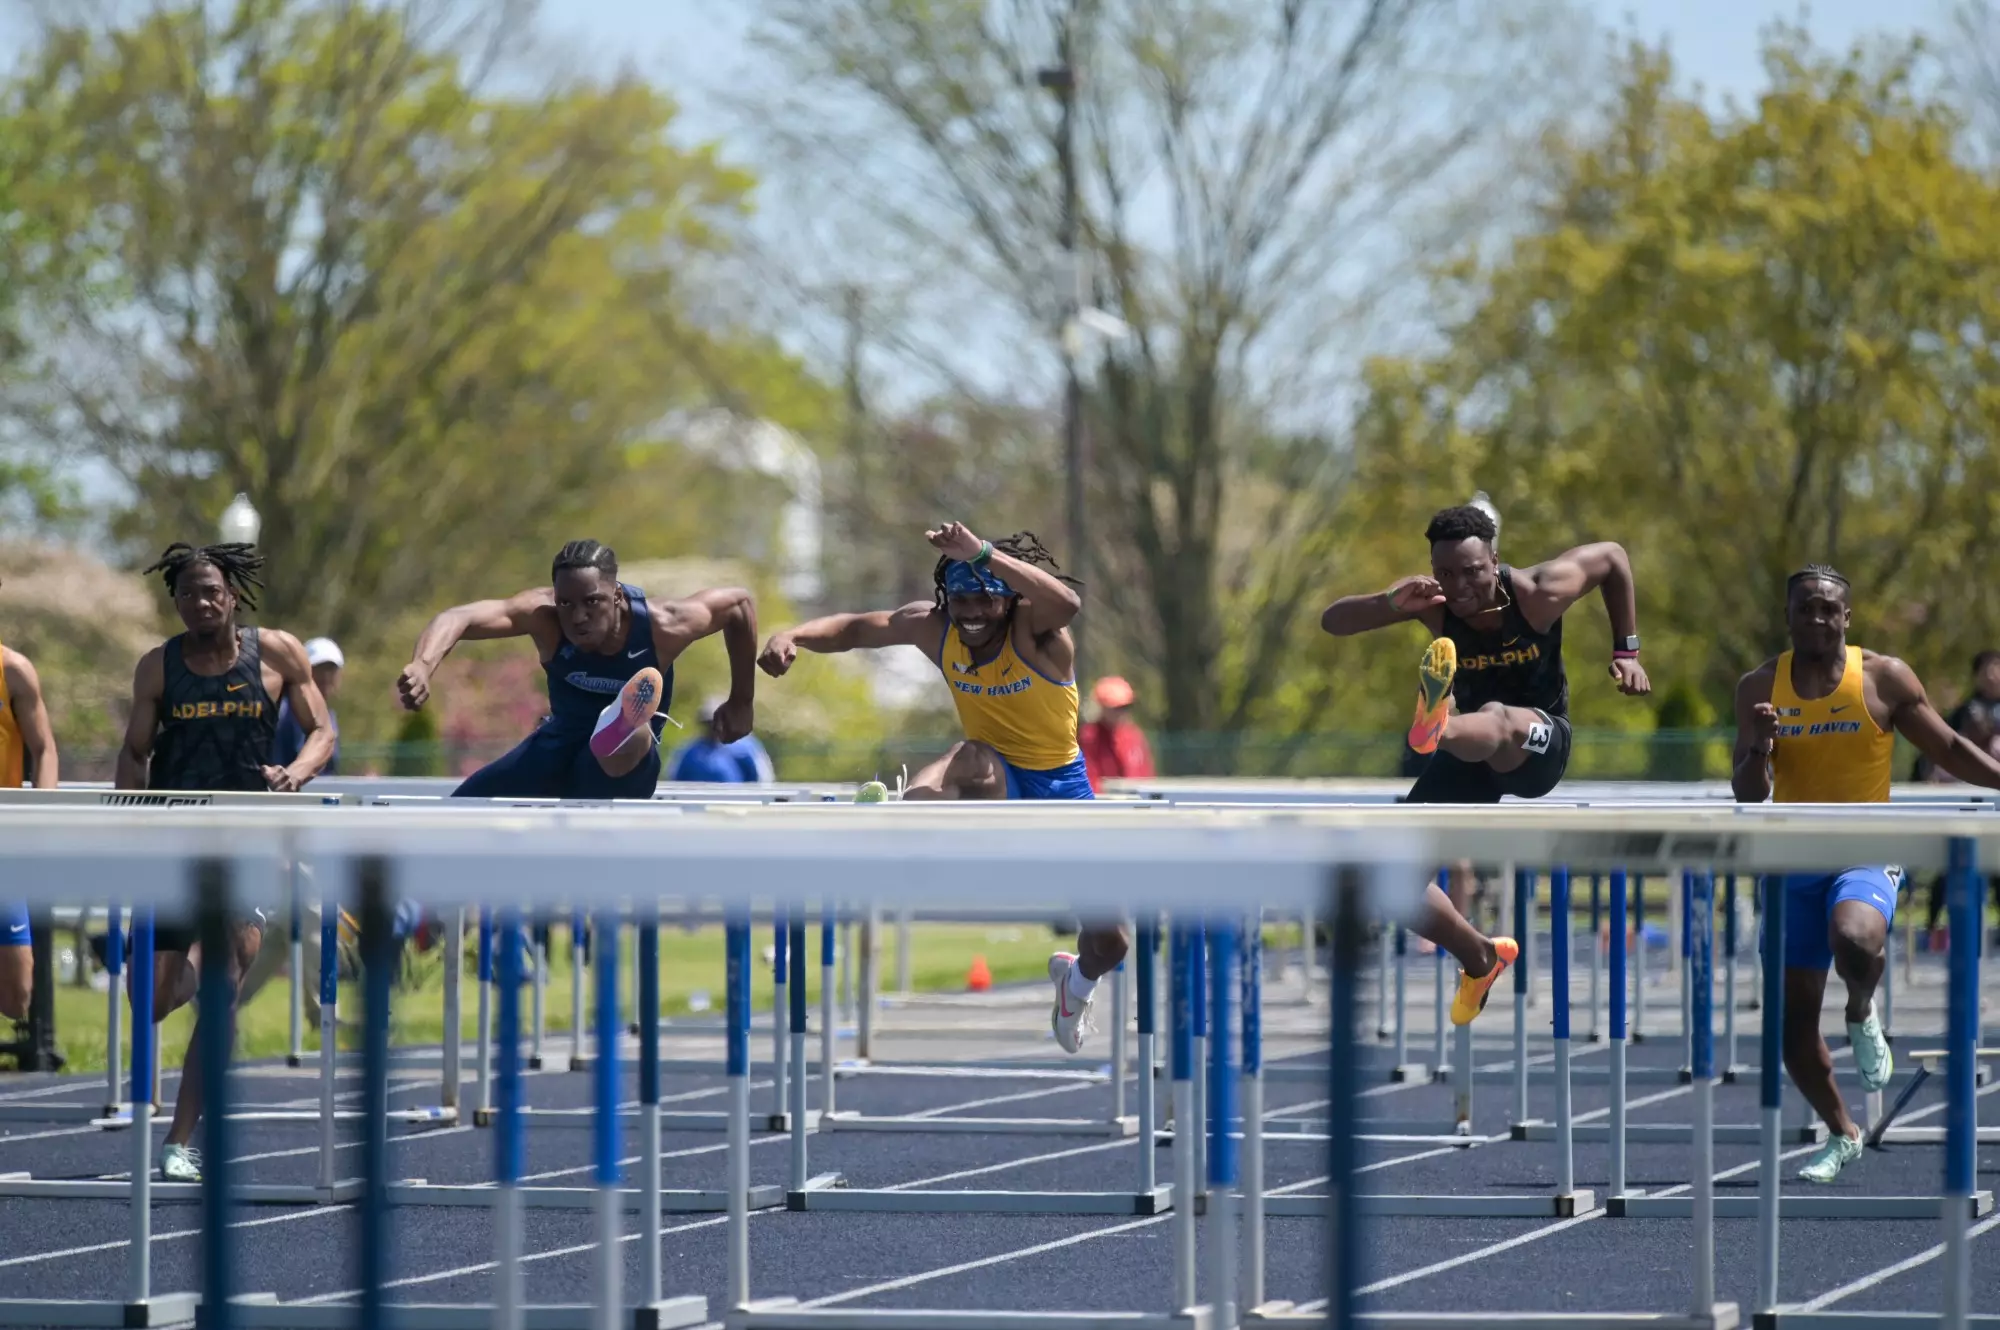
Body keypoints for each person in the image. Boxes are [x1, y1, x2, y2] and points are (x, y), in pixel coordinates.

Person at [757, 522, 1124, 1054]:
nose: (971, 613)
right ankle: (903, 815)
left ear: (1007, 600)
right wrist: (793, 635)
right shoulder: (937, 628)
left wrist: (981, 552)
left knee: (1112, 943)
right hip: (995, 773)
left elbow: (1067, 602)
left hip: (1063, 790)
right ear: (946, 599)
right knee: (969, 754)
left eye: (983, 600)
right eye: (960, 600)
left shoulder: (1038, 634)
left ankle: (1075, 984)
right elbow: (858, 628)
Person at [1320, 502, 1650, 1024]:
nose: (1459, 587)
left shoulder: (1541, 592)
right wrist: (1390, 601)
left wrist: (1626, 652)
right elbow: (1332, 621)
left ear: (1495, 560)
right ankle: (1480, 956)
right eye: (1445, 573)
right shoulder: (1434, 604)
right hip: (1472, 756)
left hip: (1540, 743)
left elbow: (1613, 558)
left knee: (1499, 717)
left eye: (1472, 571)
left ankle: (1439, 725)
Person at [1731, 564, 2000, 1183]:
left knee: (1854, 938)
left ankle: (1859, 1007)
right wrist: (1761, 746)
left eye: (1828, 608)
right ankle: (1842, 1132)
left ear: (1847, 617)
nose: (1817, 618)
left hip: (1865, 849)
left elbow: (1949, 748)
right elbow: (1747, 791)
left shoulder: (1883, 677)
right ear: (1788, 616)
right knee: (1793, 1026)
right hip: (1791, 856)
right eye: (1805, 608)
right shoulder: (1759, 686)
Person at [118, 542, 335, 1180]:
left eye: (211, 591)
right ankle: (186, 965)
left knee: (223, 988)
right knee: (150, 1000)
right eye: (188, 594)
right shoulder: (158, 667)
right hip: (173, 840)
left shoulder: (277, 653)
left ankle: (178, 1141)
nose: (201, 602)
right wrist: (125, 824)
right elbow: (133, 753)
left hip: (248, 842)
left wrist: (295, 773)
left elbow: (322, 731)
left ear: (233, 595)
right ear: (176, 602)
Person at [396, 540, 757, 800]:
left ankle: (623, 723)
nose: (578, 616)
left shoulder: (663, 625)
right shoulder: (543, 616)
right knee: (460, 811)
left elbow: (738, 605)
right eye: (566, 603)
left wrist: (742, 699)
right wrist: (423, 665)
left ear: (617, 596)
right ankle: (617, 724)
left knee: (630, 740)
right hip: (557, 748)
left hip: (622, 770)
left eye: (592, 602)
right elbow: (458, 617)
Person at [0, 633, 58, 1020]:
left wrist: (41, 819)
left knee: (17, 997)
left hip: (4, 841)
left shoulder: (13, 670)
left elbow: (44, 749)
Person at [272, 637, 343, 775]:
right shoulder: (283, 712)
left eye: (331, 669)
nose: (325, 676)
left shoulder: (329, 716)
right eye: (318, 669)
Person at [668, 697, 776, 784]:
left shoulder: (746, 748)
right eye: (710, 723)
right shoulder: (689, 751)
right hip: (697, 804)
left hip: (736, 803)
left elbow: (763, 779)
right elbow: (674, 779)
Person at [1079, 676, 1156, 788]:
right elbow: (1090, 780)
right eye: (1116, 708)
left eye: (1126, 707)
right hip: (1106, 797)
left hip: (1136, 796)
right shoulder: (1090, 737)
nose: (1122, 713)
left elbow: (1146, 774)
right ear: (1102, 708)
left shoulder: (1134, 735)